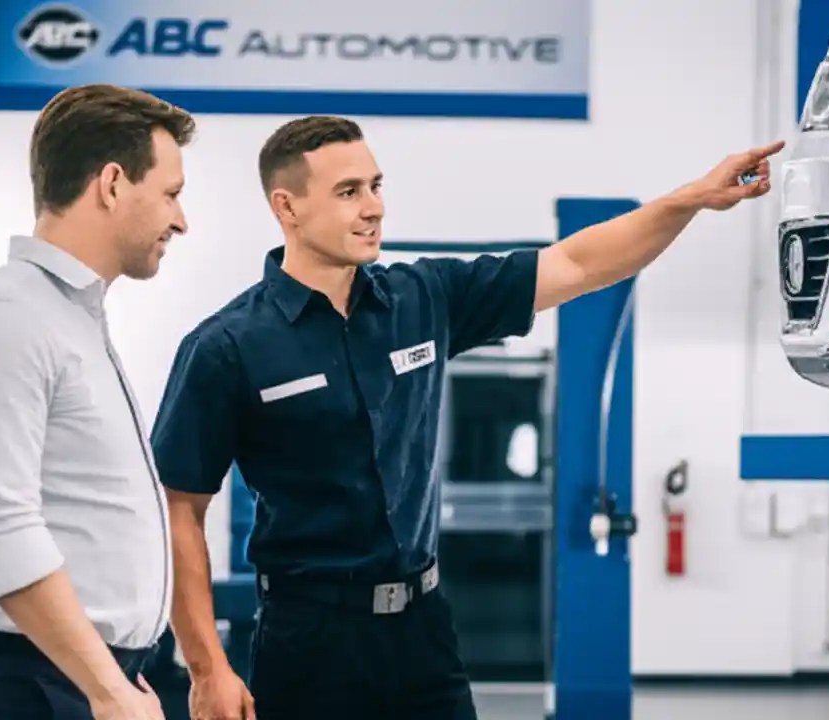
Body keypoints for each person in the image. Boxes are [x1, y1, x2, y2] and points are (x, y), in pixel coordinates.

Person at [150, 114, 783, 719]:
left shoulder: (423, 298)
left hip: (423, 631)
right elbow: (182, 511)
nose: (373, 207)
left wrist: (691, 200)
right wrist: (207, 668)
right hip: (308, 641)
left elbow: (578, 263)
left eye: (375, 186)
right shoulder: (227, 347)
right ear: (286, 207)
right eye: (348, 192)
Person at [0, 84, 194, 720]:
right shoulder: (6, 320)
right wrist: (106, 689)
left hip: (83, 679)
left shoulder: (69, 317)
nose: (181, 220)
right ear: (112, 184)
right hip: (29, 687)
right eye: (172, 194)